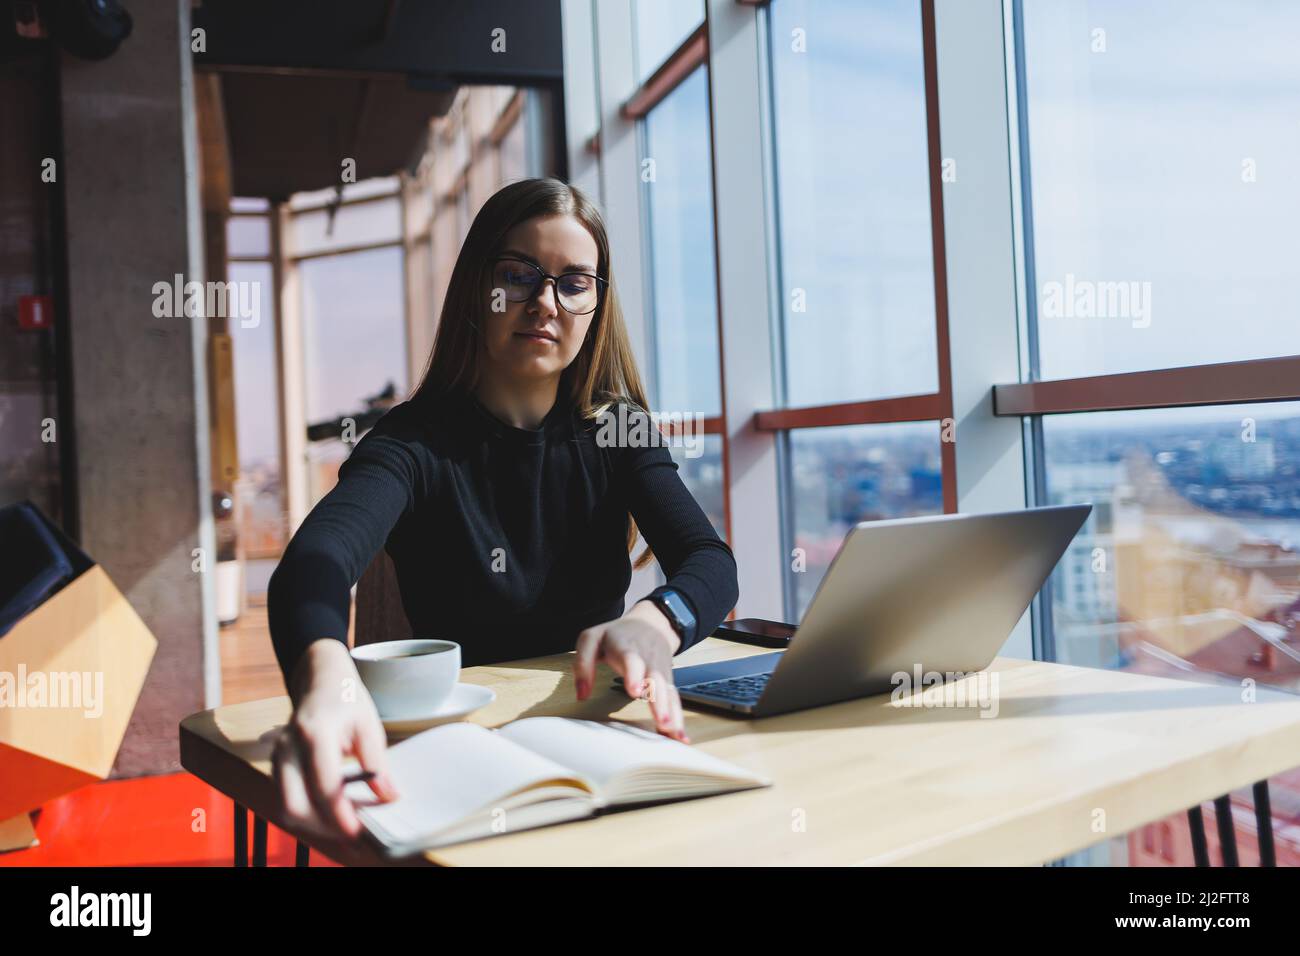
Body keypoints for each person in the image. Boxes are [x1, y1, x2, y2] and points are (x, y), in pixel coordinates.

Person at [267, 177, 740, 850]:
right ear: (476, 289)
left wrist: (653, 624)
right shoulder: (412, 442)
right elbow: (313, 564)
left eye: (574, 282)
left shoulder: (619, 429)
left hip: (595, 736)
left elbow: (709, 562)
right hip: (459, 756)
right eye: (519, 275)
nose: (545, 303)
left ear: (597, 302)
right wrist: (325, 670)